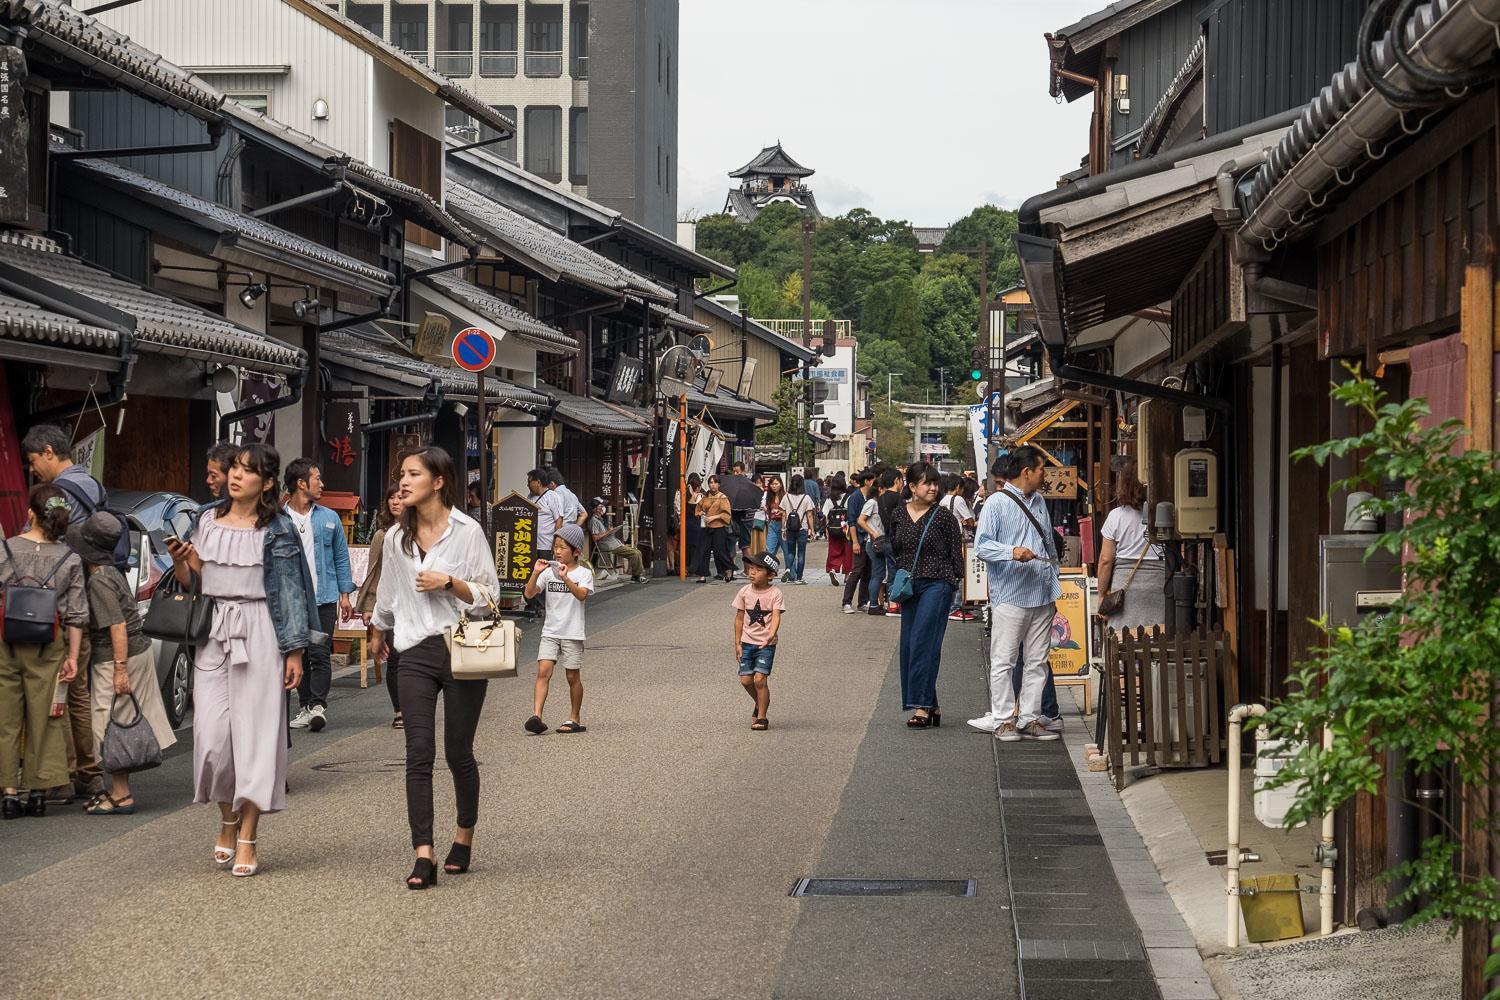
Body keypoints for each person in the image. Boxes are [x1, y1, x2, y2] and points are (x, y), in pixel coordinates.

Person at [169, 444, 318, 877]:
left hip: (262, 630)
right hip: (215, 629)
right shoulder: (206, 520)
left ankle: (249, 834)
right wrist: (182, 562)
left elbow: (292, 591)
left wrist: (295, 651)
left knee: (256, 738)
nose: (236, 476)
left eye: (248, 471)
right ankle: (227, 818)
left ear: (267, 483)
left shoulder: (279, 528)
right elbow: (194, 580)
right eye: (234, 467)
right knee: (212, 737)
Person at [371, 447, 499, 890]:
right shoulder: (395, 538)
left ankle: (463, 837)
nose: (403, 482)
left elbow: (492, 595)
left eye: (412, 474)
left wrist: (450, 582)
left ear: (439, 481)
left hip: (462, 646)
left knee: (458, 752)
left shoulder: (468, 532)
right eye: (400, 474)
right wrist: (377, 630)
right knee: (418, 753)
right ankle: (422, 851)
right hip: (415, 651)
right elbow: (388, 593)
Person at [70, 512, 178, 815]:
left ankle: (121, 794)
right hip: (134, 651)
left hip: (120, 656)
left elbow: (116, 625)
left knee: (109, 725)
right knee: (120, 721)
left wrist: (119, 669)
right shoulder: (110, 572)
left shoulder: (99, 580)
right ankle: (116, 789)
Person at [21, 424, 104, 800]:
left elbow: (42, 544)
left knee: (57, 695)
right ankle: (89, 772)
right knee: (78, 694)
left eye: (33, 459)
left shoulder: (60, 497)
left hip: (55, 611)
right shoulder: (93, 485)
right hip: (86, 601)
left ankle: (64, 774)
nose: (32, 467)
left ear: (49, 452)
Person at [0, 485, 86, 819]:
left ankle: (8, 792)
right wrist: (73, 657)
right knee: (46, 717)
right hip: (49, 643)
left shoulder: (6, 549)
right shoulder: (70, 558)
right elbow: (76, 615)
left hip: (6, 639)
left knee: (6, 718)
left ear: (30, 513)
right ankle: (37, 792)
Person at [971, 446, 1063, 743]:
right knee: (1004, 660)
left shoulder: (1039, 502)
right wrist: (1012, 552)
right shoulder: (996, 503)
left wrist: (1054, 582)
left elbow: (1049, 542)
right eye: (1041, 470)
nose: (1044, 476)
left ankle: (1030, 718)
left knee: (1037, 660)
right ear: (1027, 472)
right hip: (1010, 594)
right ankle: (1002, 721)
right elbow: (982, 546)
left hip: (1041, 592)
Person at [887, 463, 966, 728]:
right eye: (926, 483)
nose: (932, 488)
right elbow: (895, 548)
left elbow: (957, 554)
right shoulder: (898, 514)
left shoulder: (943, 516)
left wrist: (953, 582)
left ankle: (920, 707)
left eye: (935, 483)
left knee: (923, 640)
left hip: (938, 584)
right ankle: (931, 703)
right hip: (910, 585)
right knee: (911, 644)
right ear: (911, 487)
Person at [284, 459, 354, 733]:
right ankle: (304, 706)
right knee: (296, 654)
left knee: (320, 652)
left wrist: (345, 595)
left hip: (323, 598)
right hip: (292, 601)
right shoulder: (280, 519)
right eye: (317, 479)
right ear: (301, 483)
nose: (322, 484)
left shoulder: (329, 518)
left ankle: (317, 706)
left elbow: (341, 556)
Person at [523, 522, 594, 736]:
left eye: (563, 547)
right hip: (550, 631)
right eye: (556, 546)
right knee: (543, 671)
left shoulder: (583, 573)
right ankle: (536, 716)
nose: (557, 551)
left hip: (572, 632)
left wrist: (565, 578)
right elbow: (529, 593)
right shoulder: (548, 572)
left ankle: (574, 718)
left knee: (572, 676)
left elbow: (582, 595)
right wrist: (536, 573)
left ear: (576, 551)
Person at [1096, 459, 1167, 633]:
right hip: (1160, 584)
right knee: (1159, 639)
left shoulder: (1115, 517)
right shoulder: (1165, 514)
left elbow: (1106, 560)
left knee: (1123, 640)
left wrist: (1101, 595)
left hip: (1126, 588)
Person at [356, 485, 404, 729]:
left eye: (400, 497)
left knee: (413, 659)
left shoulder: (421, 532)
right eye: (391, 498)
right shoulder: (382, 535)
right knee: (395, 659)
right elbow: (374, 573)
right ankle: (399, 711)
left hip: (415, 605)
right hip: (390, 605)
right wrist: (369, 606)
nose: (395, 502)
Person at [733, 551, 785, 731]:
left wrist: (772, 633)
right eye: (750, 568)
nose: (752, 572)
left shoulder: (775, 593)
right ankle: (761, 702)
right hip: (747, 642)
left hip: (766, 644)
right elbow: (739, 618)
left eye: (758, 569)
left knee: (760, 680)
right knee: (746, 681)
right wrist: (737, 643)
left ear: (770, 575)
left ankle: (762, 717)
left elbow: (777, 615)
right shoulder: (744, 592)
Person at [940, 474, 979, 623]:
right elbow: (970, 522)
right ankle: (955, 607)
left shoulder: (942, 500)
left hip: (946, 540)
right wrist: (970, 522)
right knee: (960, 574)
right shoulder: (958, 499)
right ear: (957, 487)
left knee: (951, 573)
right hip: (960, 541)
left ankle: (950, 606)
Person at [840, 470, 875, 613]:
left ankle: (862, 602)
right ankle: (846, 602)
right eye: (873, 480)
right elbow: (852, 522)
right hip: (859, 539)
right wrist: (854, 542)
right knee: (857, 571)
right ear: (867, 481)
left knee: (868, 571)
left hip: (870, 540)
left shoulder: (872, 497)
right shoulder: (855, 497)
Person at [589, 498, 646, 583]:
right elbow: (595, 538)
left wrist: (611, 531)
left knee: (638, 552)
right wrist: (608, 532)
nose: (603, 508)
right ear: (595, 509)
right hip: (608, 545)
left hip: (614, 543)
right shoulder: (594, 521)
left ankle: (635, 574)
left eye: (603, 506)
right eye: (601, 506)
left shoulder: (601, 519)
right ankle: (637, 576)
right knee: (635, 553)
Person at [697, 476, 735, 583]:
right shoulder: (705, 497)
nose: (712, 485)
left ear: (719, 484)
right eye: (710, 482)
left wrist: (714, 517)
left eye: (715, 482)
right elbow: (698, 509)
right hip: (706, 527)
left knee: (720, 551)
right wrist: (700, 513)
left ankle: (728, 570)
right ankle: (702, 575)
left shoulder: (723, 497)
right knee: (703, 551)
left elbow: (726, 514)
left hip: (719, 527)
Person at [781, 475, 816, 584]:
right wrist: (812, 530)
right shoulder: (806, 498)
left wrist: (783, 529)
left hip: (790, 528)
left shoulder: (786, 497)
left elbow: (783, 514)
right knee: (801, 553)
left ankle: (788, 569)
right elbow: (810, 515)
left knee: (791, 552)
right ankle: (799, 578)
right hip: (802, 529)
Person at [824, 481, 852, 586]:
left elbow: (825, 514)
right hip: (846, 529)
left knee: (834, 550)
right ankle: (847, 575)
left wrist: (826, 528)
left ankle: (833, 569)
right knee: (848, 551)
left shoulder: (829, 499)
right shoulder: (849, 497)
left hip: (833, 529)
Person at [684, 473, 708, 580]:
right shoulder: (702, 494)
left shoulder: (685, 494)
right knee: (697, 547)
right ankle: (694, 568)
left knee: (688, 547)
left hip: (687, 523)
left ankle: (688, 568)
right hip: (699, 523)